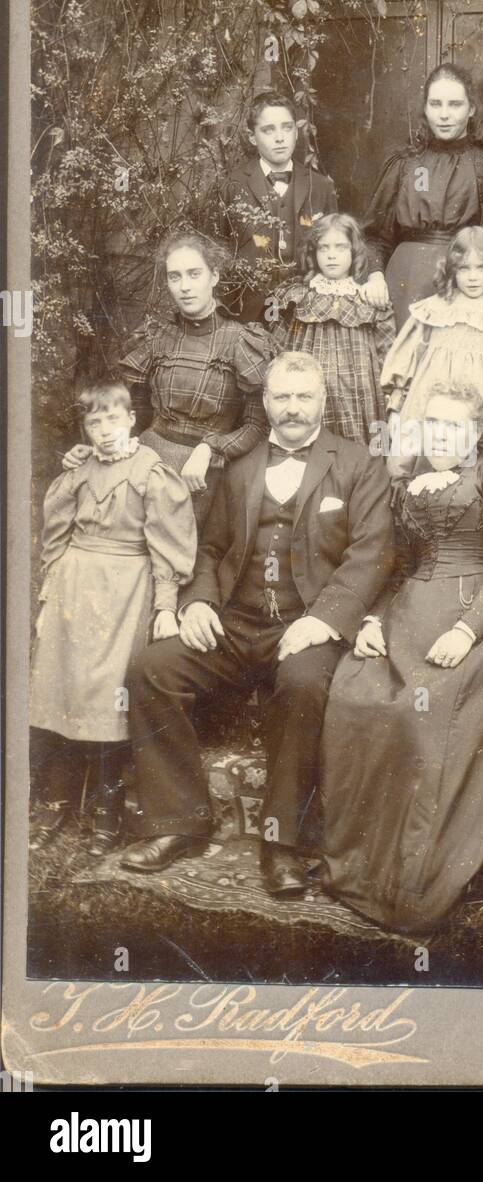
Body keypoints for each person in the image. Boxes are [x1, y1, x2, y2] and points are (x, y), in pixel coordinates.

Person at [119, 351, 395, 898]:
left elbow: (372, 555)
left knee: (301, 685)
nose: (293, 408)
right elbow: (211, 547)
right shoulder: (240, 467)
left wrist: (323, 622)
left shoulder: (359, 464)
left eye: (304, 397)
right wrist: (197, 603)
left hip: (303, 624)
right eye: (282, 397)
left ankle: (282, 843)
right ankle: (180, 823)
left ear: (323, 401)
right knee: (152, 670)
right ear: (265, 403)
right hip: (235, 621)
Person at [320, 381, 483, 933]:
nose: (441, 436)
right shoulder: (407, 487)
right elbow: (399, 568)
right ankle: (361, 870)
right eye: (432, 425)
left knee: (417, 717)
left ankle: (411, 881)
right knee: (354, 695)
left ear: (475, 433)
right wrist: (371, 621)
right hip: (411, 613)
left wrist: (467, 630)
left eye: (454, 426)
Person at [29, 378, 196, 856]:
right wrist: (47, 598)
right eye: (93, 420)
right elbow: (57, 535)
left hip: (125, 591)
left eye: (113, 418)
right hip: (73, 589)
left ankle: (106, 808)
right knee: (62, 687)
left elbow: (168, 545)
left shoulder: (152, 472)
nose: (103, 430)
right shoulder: (79, 471)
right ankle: (56, 803)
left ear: (132, 420)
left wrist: (165, 607)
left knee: (108, 699)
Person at [62, 230, 271, 529]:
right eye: (175, 277)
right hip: (148, 458)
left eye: (194, 274)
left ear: (214, 276)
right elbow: (135, 415)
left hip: (206, 470)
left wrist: (212, 448)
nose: (184, 287)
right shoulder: (157, 336)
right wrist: (100, 445)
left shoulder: (241, 341)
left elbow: (257, 426)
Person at [380, 225, 483, 466]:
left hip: (480, 406)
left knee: (475, 469)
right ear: (451, 270)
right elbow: (407, 360)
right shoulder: (432, 308)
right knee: (413, 463)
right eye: (464, 268)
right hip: (426, 402)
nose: (472, 277)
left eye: (481, 268)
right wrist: (395, 408)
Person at [362, 63, 483, 330]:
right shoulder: (404, 164)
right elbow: (374, 235)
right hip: (405, 282)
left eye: (455, 104)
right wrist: (375, 275)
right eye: (436, 104)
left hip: (463, 284)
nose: (444, 115)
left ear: (471, 109)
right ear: (425, 109)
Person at [267, 213, 396, 447]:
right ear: (314, 253)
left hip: (358, 393)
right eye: (324, 248)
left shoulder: (368, 300)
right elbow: (275, 347)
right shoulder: (297, 295)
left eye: (340, 247)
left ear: (354, 252)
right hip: (306, 389)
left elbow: (388, 353)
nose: (332, 255)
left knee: (356, 450)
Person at [221, 90, 340, 324]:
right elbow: (217, 253)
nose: (279, 137)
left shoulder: (321, 186)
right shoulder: (231, 186)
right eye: (268, 130)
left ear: (297, 132)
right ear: (252, 137)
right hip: (246, 311)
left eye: (287, 127)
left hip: (307, 311)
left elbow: (337, 245)